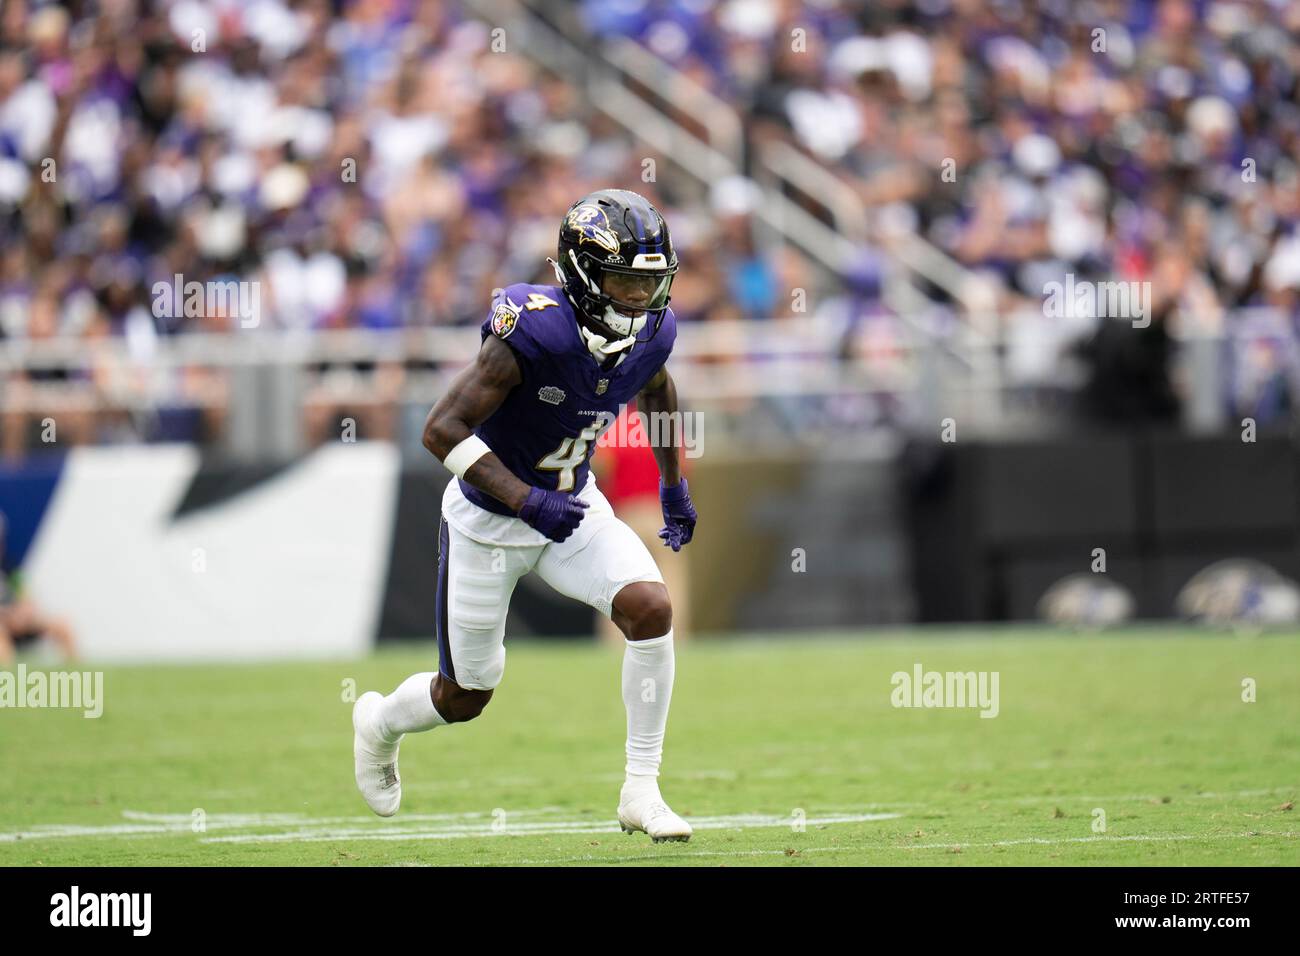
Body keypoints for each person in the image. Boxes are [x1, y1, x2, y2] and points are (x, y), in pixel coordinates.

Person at [352, 190, 698, 842]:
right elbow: (441, 430)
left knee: (650, 609)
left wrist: (672, 484)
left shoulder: (653, 330)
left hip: (571, 506)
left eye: (650, 284)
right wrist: (523, 498)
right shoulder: (534, 331)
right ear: (584, 275)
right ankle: (380, 724)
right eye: (624, 281)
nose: (639, 300)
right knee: (466, 697)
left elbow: (658, 388)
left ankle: (640, 788)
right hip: (489, 521)